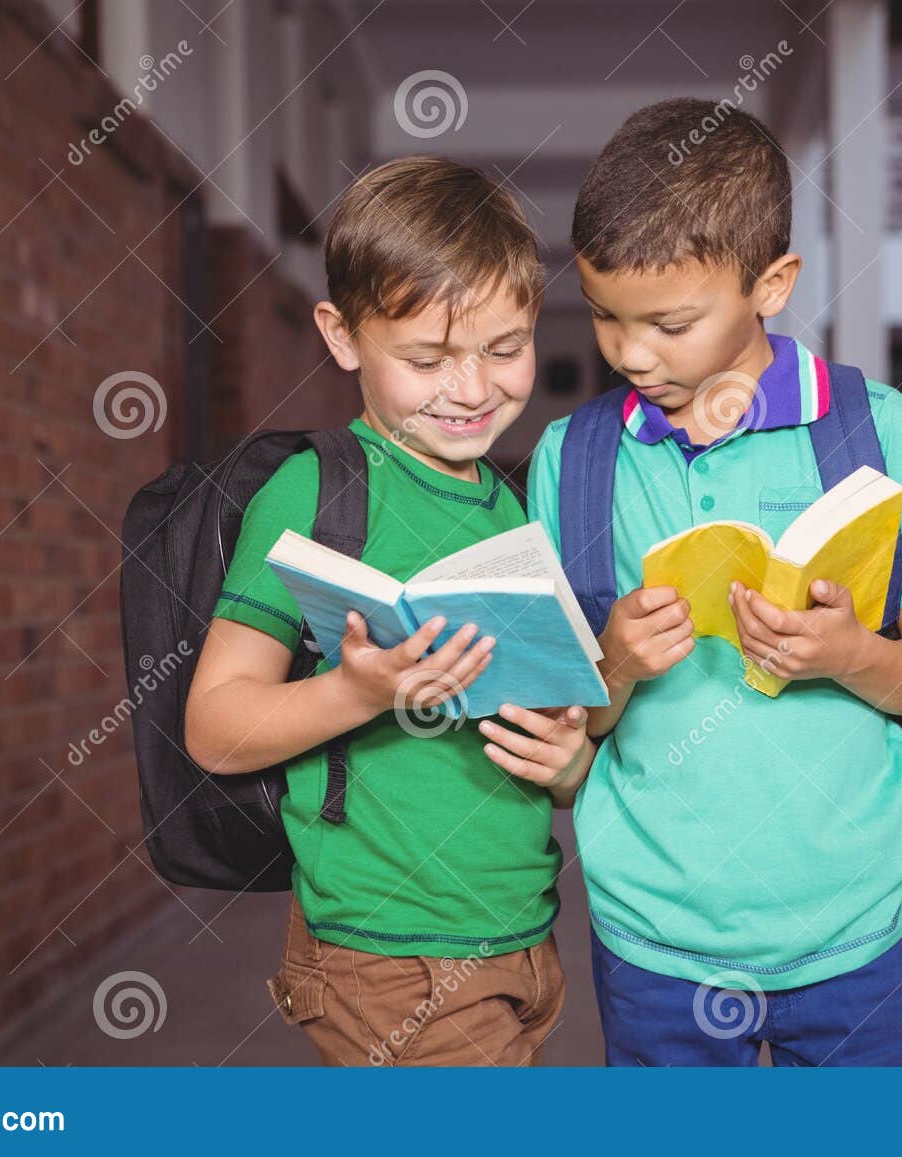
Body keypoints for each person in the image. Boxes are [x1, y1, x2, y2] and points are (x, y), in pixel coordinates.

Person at [527, 99, 902, 1066]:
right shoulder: (573, 459)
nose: (631, 353)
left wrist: (850, 652)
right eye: (604, 315)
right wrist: (617, 663)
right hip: (655, 939)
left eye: (670, 322)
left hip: (861, 925)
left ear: (771, 284)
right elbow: (570, 725)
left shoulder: (873, 425)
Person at [185, 157, 592, 1066]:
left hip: (522, 935)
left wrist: (571, 763)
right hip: (389, 956)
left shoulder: (514, 506)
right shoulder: (315, 495)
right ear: (341, 335)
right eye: (427, 358)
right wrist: (357, 692)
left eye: (504, 346)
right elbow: (214, 725)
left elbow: (546, 725)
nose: (473, 388)